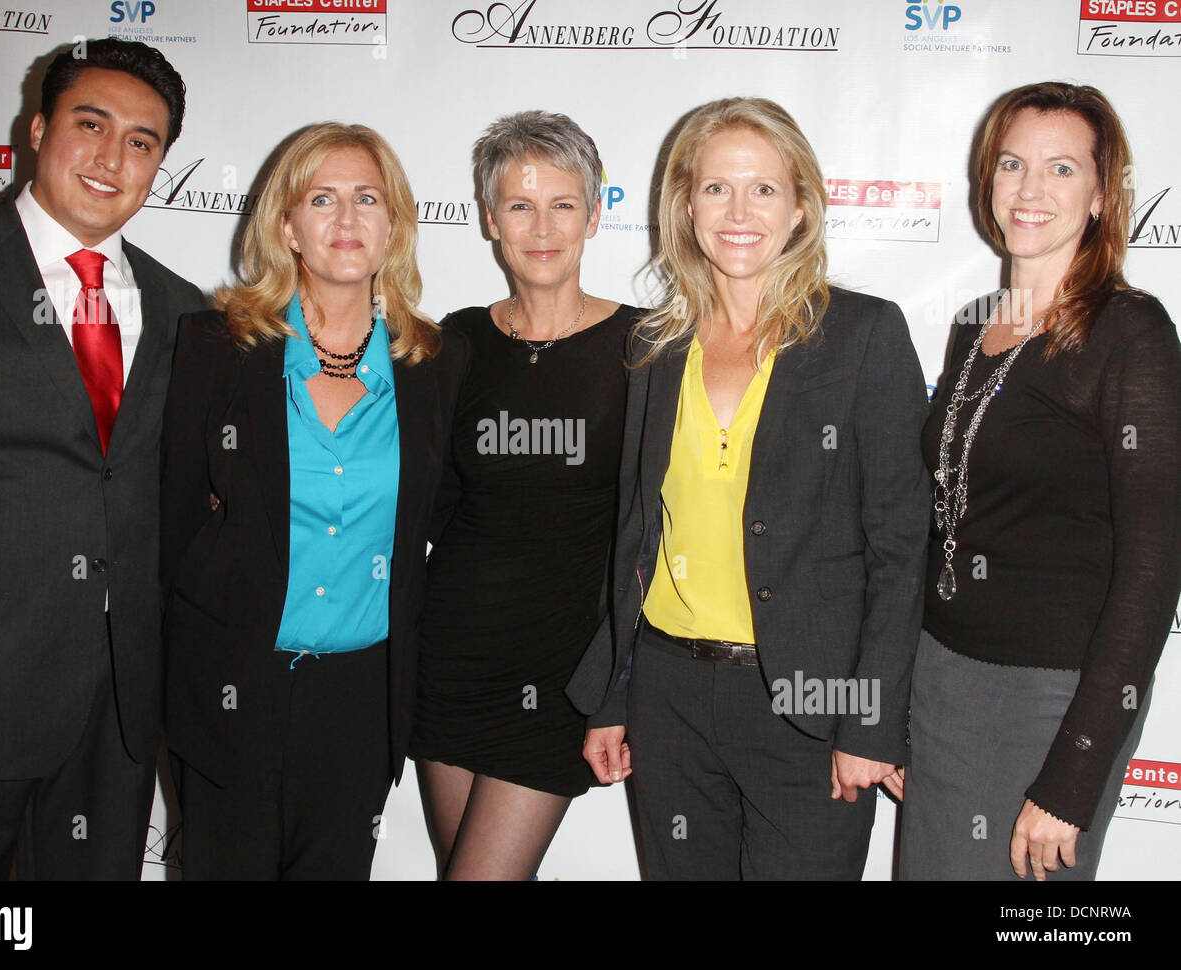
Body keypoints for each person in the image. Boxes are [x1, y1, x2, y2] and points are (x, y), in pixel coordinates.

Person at [568, 97, 930, 880]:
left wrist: (870, 723)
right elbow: (635, 536)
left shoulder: (865, 336)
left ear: (800, 205)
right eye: (715, 189)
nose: (739, 212)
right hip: (668, 697)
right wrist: (613, 695)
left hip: (811, 704)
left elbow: (903, 550)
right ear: (684, 206)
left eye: (764, 189)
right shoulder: (653, 346)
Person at [0, 39, 203, 880]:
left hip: (115, 719)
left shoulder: (182, 312)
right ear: (36, 127)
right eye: (89, 124)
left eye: (141, 142)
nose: (112, 157)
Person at [160, 122, 468, 880]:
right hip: (231, 685)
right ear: (287, 226)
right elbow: (167, 525)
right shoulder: (214, 346)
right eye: (321, 198)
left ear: (393, 222)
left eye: (368, 198)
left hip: (362, 698)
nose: (347, 219)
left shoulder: (435, 362)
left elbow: (446, 518)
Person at [899, 82, 1181, 881]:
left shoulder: (1131, 332)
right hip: (942, 678)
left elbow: (1154, 570)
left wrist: (1073, 776)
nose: (1031, 190)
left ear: (1101, 192)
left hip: (1051, 701)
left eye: (1062, 169)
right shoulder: (973, 322)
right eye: (1013, 164)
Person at [408, 110, 641, 881]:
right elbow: (427, 499)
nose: (542, 227)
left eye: (563, 204)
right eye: (519, 205)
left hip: (564, 667)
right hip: (449, 656)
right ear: (488, 220)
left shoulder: (646, 347)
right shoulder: (458, 341)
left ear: (596, 212)